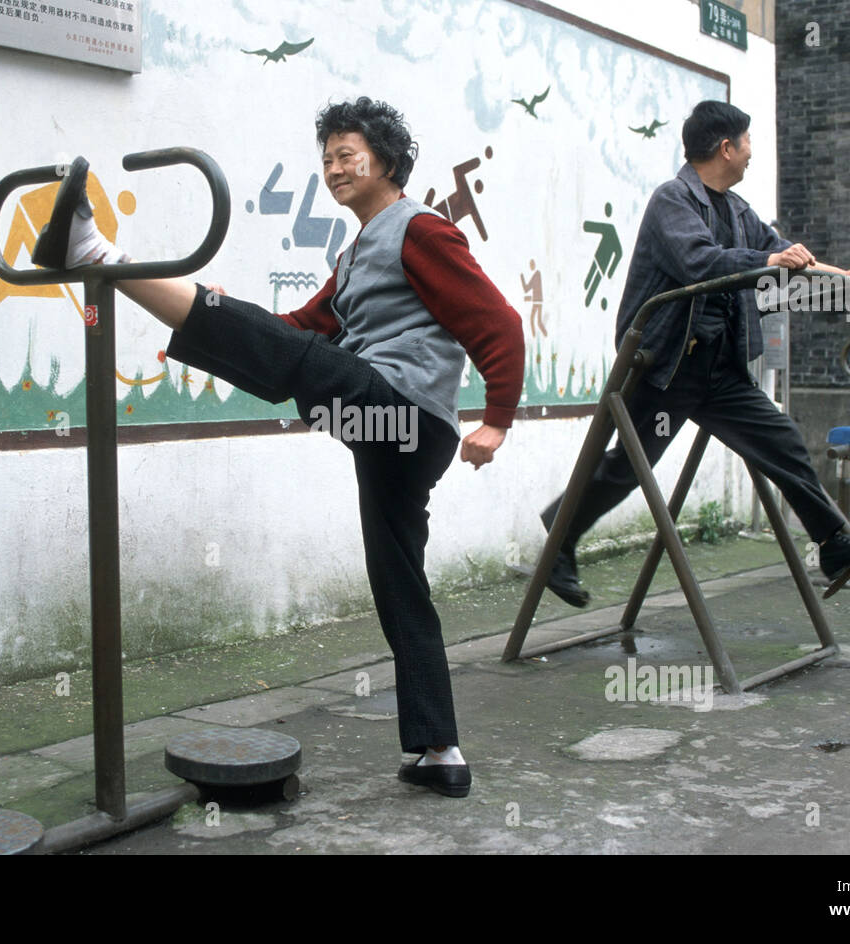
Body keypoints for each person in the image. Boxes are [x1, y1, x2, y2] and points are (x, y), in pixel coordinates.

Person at [32, 97, 525, 797]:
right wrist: (226, 311)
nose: (334, 168)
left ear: (386, 160)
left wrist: (498, 418)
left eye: (347, 155)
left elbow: (497, 323)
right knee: (399, 584)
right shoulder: (357, 253)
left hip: (405, 414)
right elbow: (305, 327)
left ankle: (96, 255)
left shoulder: (422, 231)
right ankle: (438, 751)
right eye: (326, 159)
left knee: (282, 356)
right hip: (379, 428)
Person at [541, 100, 850, 606]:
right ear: (726, 147)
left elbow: (782, 267)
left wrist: (843, 280)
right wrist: (769, 260)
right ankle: (559, 535)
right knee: (626, 468)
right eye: (748, 141)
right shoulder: (674, 200)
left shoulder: (736, 210)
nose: (752, 152)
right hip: (665, 368)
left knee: (782, 440)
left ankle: (834, 542)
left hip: (719, 371)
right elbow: (700, 262)